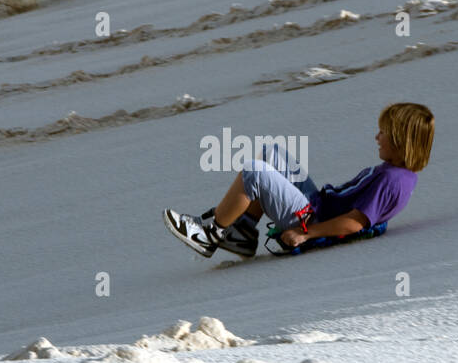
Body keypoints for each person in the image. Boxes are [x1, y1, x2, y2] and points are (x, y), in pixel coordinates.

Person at [164, 102, 434, 258]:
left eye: (383, 133)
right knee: (272, 153)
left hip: (311, 221)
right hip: (316, 205)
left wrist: (305, 234)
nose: (377, 137)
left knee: (254, 172)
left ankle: (211, 235)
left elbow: (355, 223)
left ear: (401, 141)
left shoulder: (392, 180)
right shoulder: (397, 173)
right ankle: (242, 233)